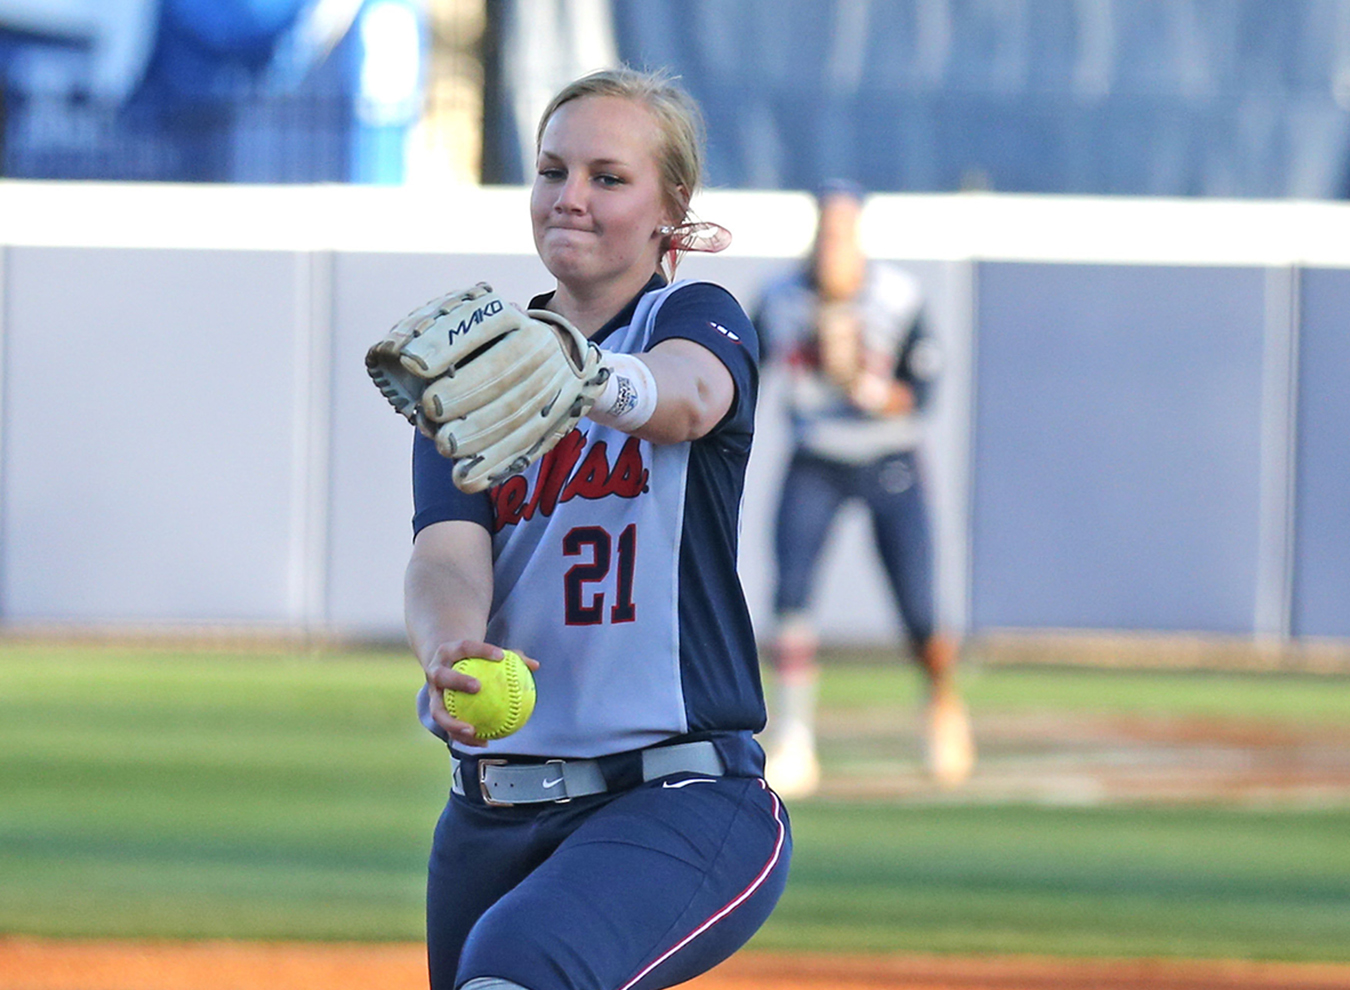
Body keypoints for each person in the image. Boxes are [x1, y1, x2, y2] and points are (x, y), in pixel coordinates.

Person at [402, 68, 791, 990]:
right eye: (552, 170)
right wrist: (446, 643)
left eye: (608, 177)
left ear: (671, 210)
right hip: (489, 812)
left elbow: (686, 399)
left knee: (519, 966)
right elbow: (446, 548)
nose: (569, 197)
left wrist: (586, 376)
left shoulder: (689, 317)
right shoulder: (475, 370)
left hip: (678, 795)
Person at [752, 180, 975, 798]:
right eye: (826, 231)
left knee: (919, 608)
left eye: (844, 233)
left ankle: (942, 703)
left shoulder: (897, 296)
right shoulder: (780, 298)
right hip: (816, 456)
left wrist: (866, 387)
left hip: (889, 458)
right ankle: (794, 734)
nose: (834, 246)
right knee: (791, 595)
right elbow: (741, 372)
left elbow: (923, 393)